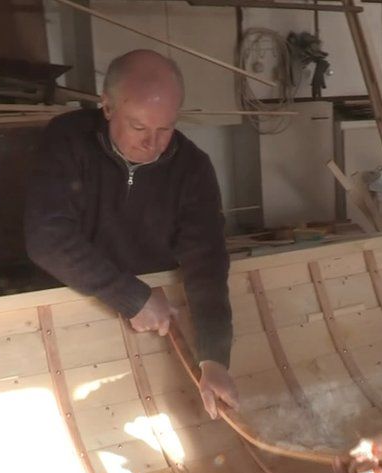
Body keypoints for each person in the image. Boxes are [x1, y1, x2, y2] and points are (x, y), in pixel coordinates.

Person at [25, 49, 238, 419]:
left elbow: (207, 264)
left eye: (165, 129)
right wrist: (131, 296)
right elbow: (47, 238)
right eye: (139, 127)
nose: (152, 143)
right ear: (107, 107)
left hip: (149, 325)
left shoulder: (192, 168)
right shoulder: (67, 140)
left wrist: (215, 358)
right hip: (70, 303)